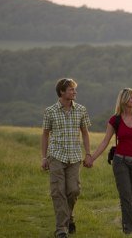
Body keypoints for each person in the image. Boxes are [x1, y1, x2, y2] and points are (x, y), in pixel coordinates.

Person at [84, 88, 132, 235]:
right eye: (131, 97)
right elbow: (104, 142)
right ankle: (129, 230)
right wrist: (91, 158)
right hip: (120, 162)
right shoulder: (115, 120)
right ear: (123, 100)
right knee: (125, 196)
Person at [41, 78, 92, 238]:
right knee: (58, 192)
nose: (74, 92)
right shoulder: (50, 111)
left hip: (75, 157)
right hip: (56, 156)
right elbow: (45, 134)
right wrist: (44, 157)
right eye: (71, 89)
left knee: (73, 190)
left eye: (74, 89)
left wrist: (88, 154)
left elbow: (85, 132)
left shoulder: (81, 110)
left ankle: (69, 217)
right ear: (62, 92)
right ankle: (61, 229)